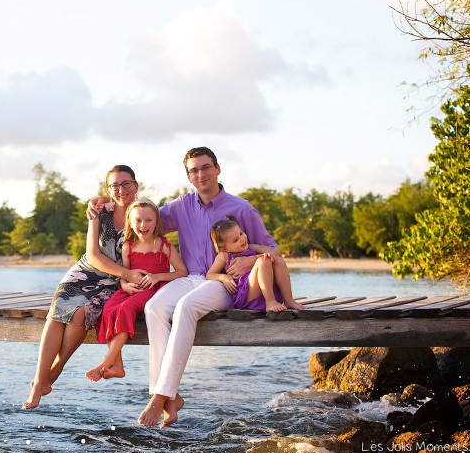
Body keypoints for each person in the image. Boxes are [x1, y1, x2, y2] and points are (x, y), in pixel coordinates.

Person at [89, 147, 278, 427]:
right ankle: (170, 397)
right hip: (188, 278)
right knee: (154, 307)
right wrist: (106, 202)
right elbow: (141, 218)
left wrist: (250, 260)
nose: (200, 174)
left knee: (186, 308)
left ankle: (159, 395)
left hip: (224, 281)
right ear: (188, 175)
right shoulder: (181, 206)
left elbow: (273, 251)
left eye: (205, 167)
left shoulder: (241, 209)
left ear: (217, 169)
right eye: (194, 170)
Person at [22, 165, 149, 410]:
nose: (120, 190)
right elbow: (92, 254)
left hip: (115, 282)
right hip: (86, 271)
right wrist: (126, 272)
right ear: (107, 188)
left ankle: (56, 368)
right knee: (59, 308)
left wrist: (127, 276)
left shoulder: (143, 215)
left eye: (126, 184)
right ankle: (40, 380)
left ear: (136, 185)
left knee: (81, 312)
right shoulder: (100, 211)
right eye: (114, 185)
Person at [86, 199, 187, 382]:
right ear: (130, 224)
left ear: (156, 221)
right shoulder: (128, 246)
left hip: (155, 289)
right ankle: (118, 365)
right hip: (131, 289)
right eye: (138, 221)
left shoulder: (163, 245)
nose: (143, 225)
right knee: (108, 309)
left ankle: (105, 362)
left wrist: (158, 277)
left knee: (126, 309)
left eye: (148, 220)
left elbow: (182, 272)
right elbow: (125, 273)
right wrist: (124, 285)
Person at [206, 218, 304, 313]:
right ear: (225, 248)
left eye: (241, 233)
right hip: (246, 296)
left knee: (279, 261)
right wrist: (224, 277)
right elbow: (210, 274)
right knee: (263, 261)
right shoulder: (224, 256)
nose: (242, 239)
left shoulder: (251, 247)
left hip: (263, 291)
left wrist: (266, 256)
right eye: (235, 240)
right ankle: (270, 302)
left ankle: (289, 300)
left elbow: (275, 252)